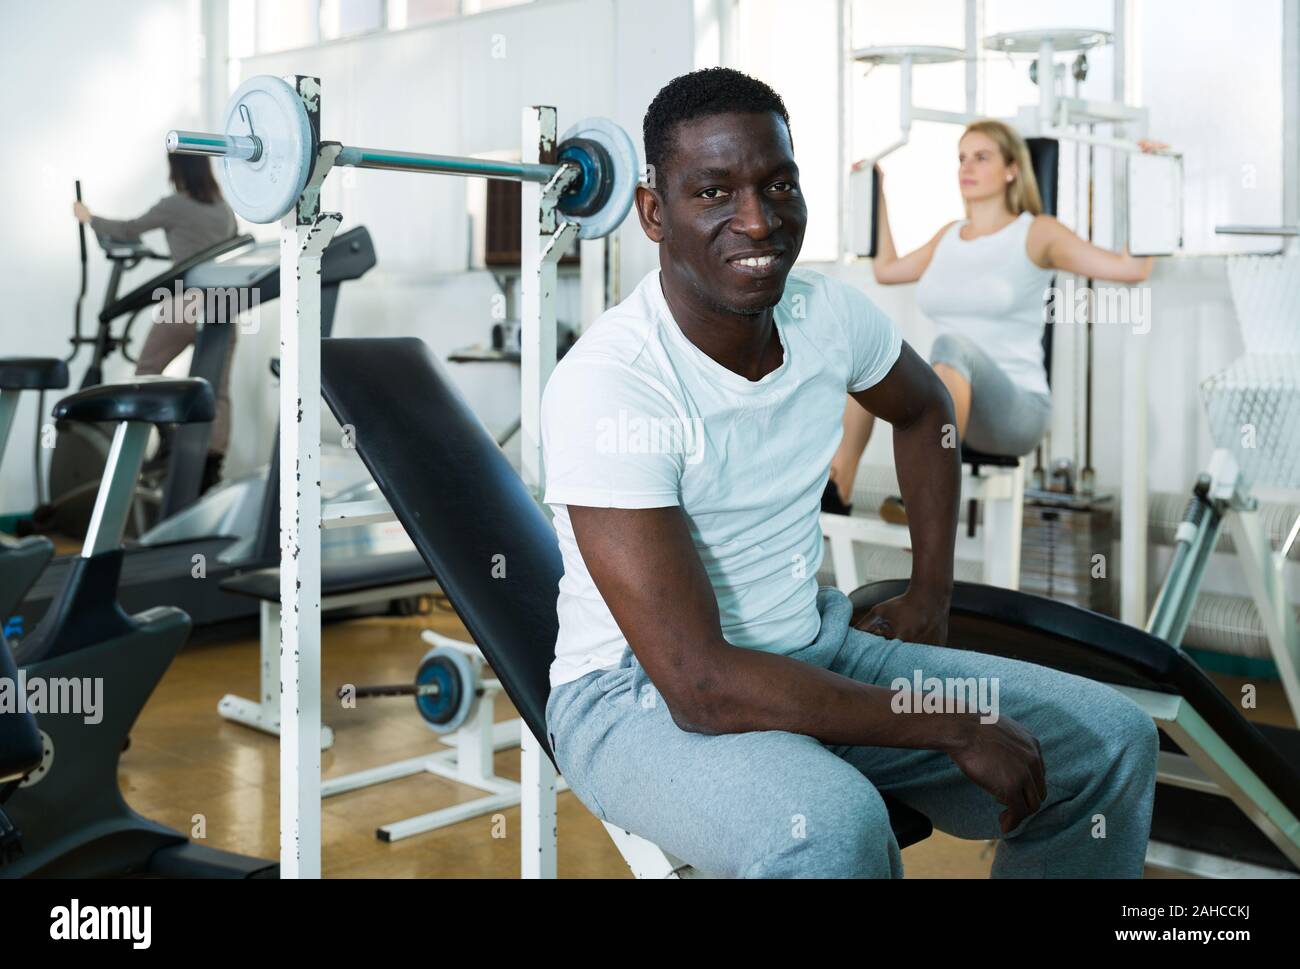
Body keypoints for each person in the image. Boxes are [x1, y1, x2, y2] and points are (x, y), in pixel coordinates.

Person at [539, 67, 1157, 878]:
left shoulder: (824, 314)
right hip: (638, 700)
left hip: (815, 647)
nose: (757, 221)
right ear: (654, 212)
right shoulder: (613, 381)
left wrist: (929, 591)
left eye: (779, 184)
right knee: (831, 827)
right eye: (714, 193)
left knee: (1108, 742)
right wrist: (949, 723)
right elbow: (699, 683)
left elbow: (928, 408)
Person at [824, 119, 1161, 520]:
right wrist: (876, 194)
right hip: (949, 402)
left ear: (1011, 169)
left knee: (951, 345)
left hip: (1015, 412)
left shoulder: (1037, 233)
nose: (966, 167)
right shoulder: (948, 235)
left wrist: (1152, 182)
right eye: (962, 158)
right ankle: (838, 490)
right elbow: (887, 270)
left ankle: (925, 497)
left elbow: (1130, 268)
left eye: (981, 157)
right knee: (872, 353)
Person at [73, 154, 239, 490]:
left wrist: (88, 217)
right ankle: (210, 467)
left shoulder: (174, 205)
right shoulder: (224, 209)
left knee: (145, 375)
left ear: (176, 169)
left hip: (185, 299)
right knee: (217, 390)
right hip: (224, 303)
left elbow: (128, 229)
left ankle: (165, 442)